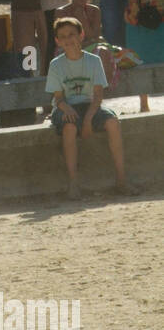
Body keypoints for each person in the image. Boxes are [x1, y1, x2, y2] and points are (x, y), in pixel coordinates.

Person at [46, 16, 135, 200]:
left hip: (90, 105)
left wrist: (87, 120)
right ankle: (73, 183)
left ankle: (121, 179)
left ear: (81, 35)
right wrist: (67, 109)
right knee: (69, 127)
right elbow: (58, 99)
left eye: (72, 34)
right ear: (57, 41)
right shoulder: (56, 65)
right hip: (66, 107)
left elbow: (98, 96)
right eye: (62, 36)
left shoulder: (94, 61)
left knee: (112, 122)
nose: (68, 39)